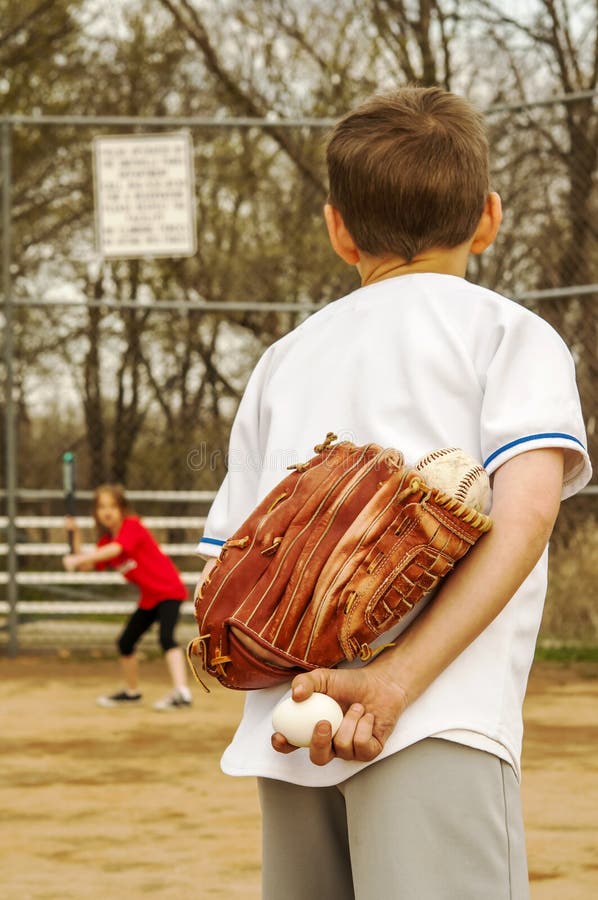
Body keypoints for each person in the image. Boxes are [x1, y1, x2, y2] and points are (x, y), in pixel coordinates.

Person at [194, 87, 592, 899]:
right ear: (489, 217)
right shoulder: (508, 334)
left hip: (291, 732)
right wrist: (396, 677)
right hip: (438, 719)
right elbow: (527, 515)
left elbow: (219, 579)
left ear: (338, 230)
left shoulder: (283, 359)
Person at [63, 484, 192, 711]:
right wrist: (75, 535)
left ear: (122, 509)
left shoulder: (132, 527)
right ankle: (132, 692)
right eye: (102, 507)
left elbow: (116, 550)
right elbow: (85, 565)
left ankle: (182, 693)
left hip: (169, 590)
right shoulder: (104, 543)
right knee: (125, 643)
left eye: (113, 506)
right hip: (150, 597)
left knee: (166, 638)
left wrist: (76, 560)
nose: (107, 511)